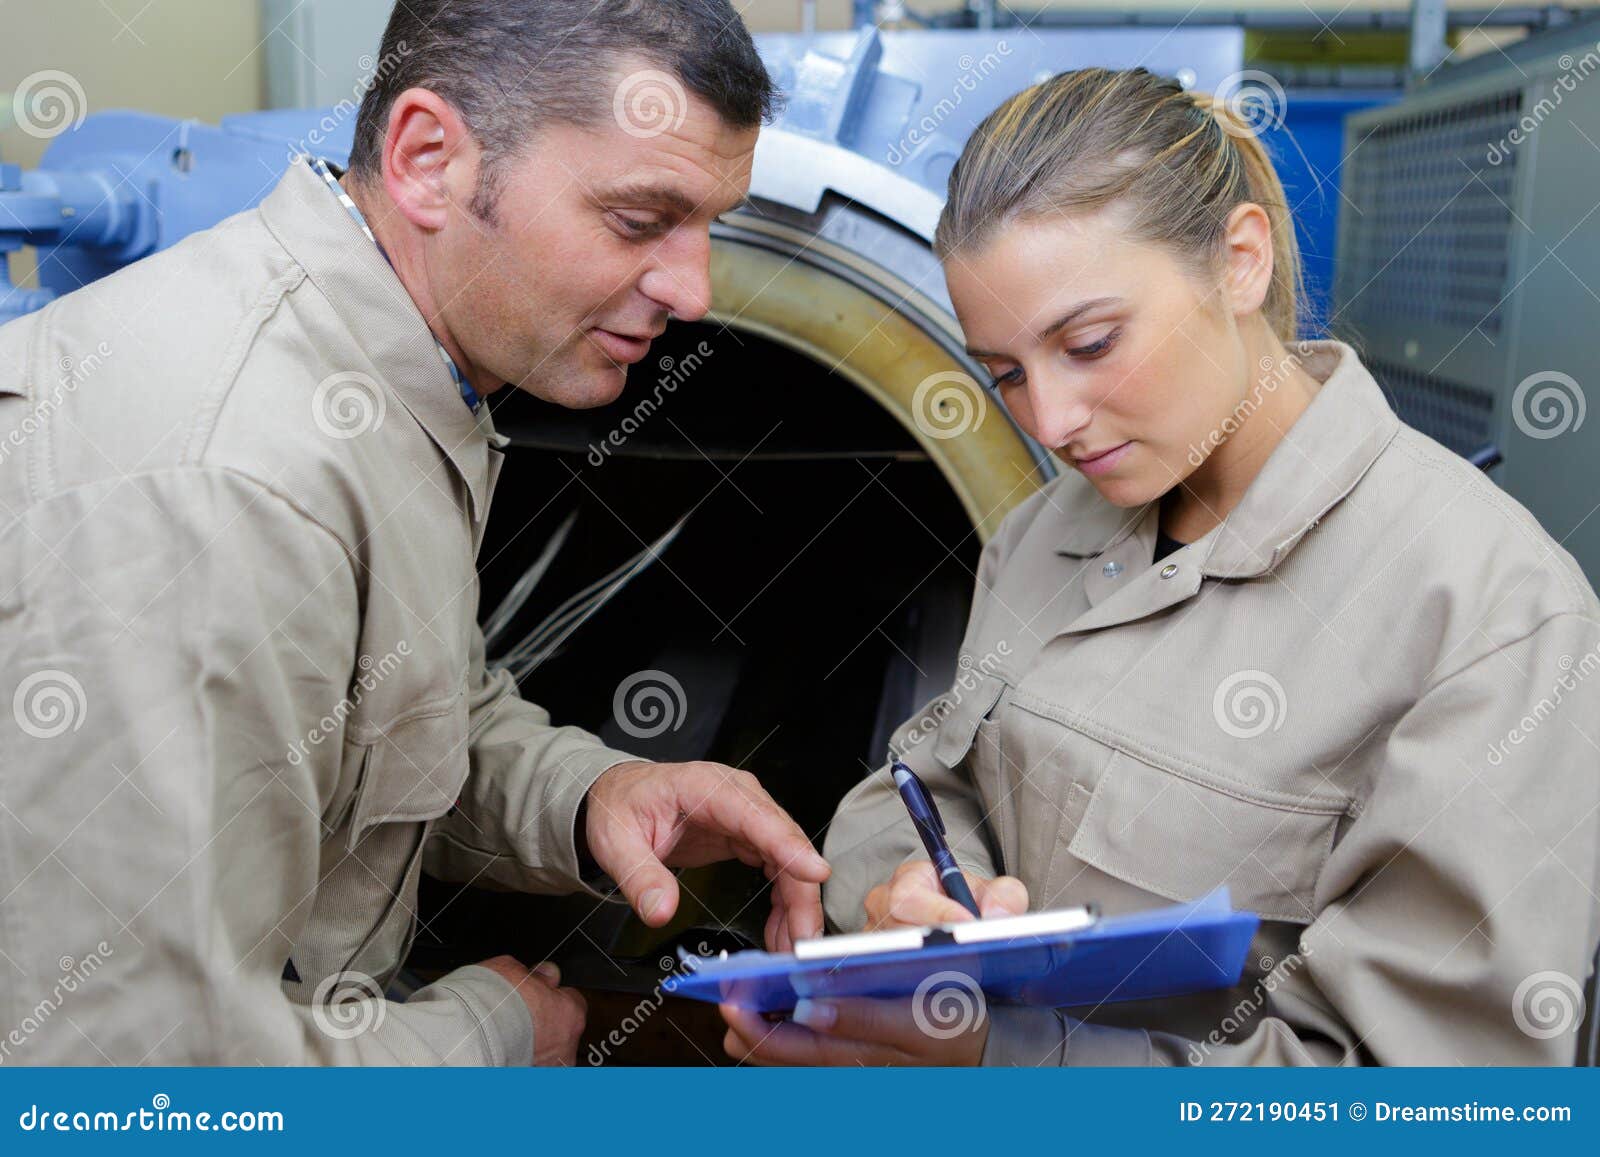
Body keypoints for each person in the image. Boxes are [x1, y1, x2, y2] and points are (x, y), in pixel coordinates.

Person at [0, 0, 829, 1065]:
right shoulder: (230, 491)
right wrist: (488, 1035)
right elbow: (137, 1082)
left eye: (707, 224)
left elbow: (374, 709)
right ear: (428, 159)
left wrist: (588, 798)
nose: (694, 290)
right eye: (636, 221)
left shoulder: (386, 371)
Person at [721, 66, 1600, 1066]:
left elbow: (1443, 1107)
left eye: (1090, 343)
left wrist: (1002, 1060)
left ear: (1238, 261)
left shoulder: (1489, 617)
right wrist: (919, 899)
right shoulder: (1045, 531)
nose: (1049, 421)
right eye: (1004, 371)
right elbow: (922, 786)